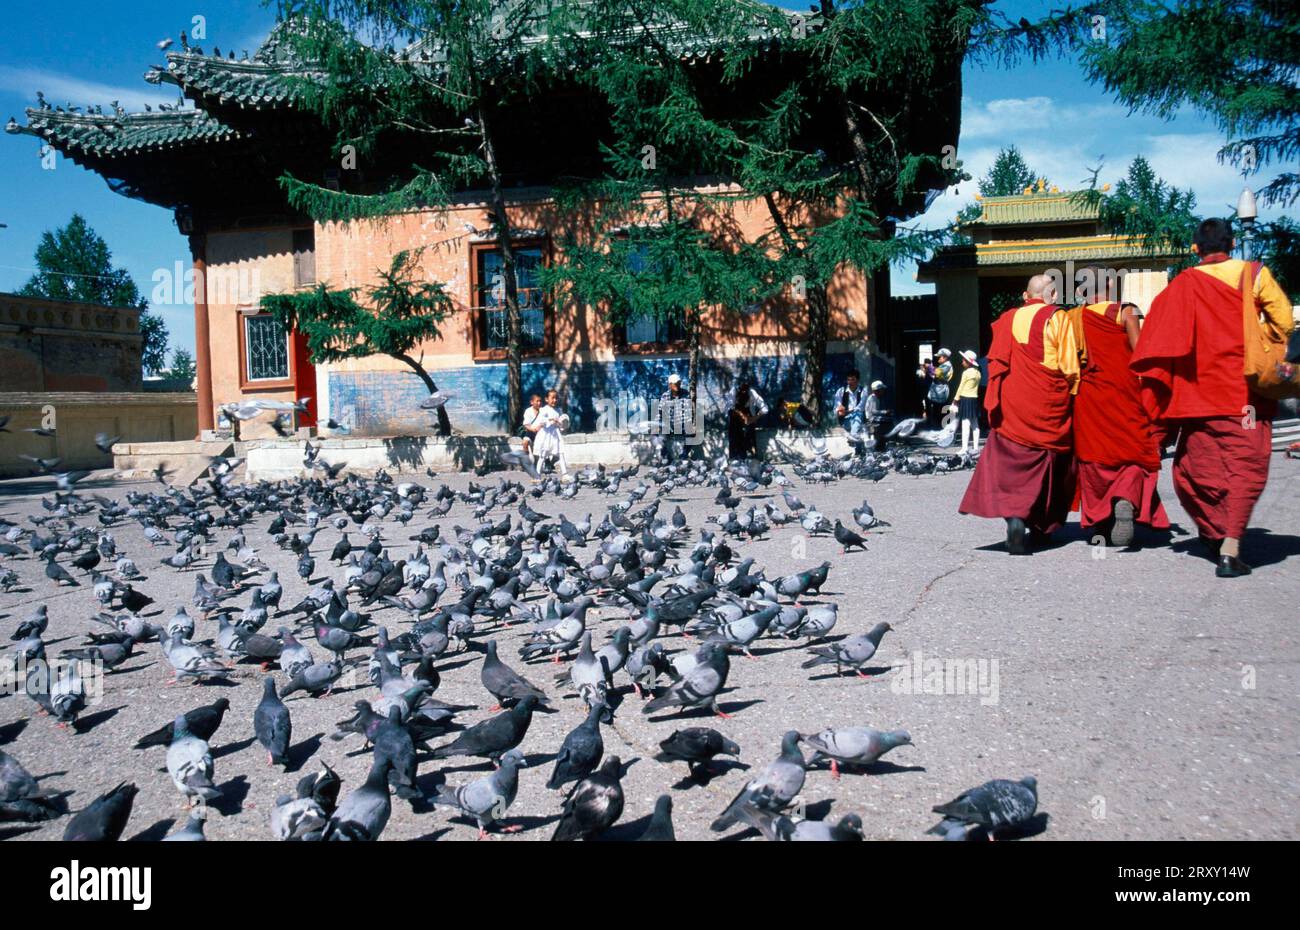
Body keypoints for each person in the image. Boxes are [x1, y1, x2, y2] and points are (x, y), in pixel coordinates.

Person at [1130, 218, 1294, 577]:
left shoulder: (1182, 284)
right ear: (1232, 244)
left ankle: (1213, 531)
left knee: (1194, 469)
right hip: (1245, 396)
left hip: (1196, 397)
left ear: (1195, 249)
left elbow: (1159, 333)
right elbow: (1283, 322)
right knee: (1245, 465)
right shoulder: (1253, 274)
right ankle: (1229, 546)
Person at [959, 274, 1080, 554]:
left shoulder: (1008, 319)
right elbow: (1070, 368)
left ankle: (1015, 516)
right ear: (1053, 296)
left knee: (1008, 462)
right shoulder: (1058, 317)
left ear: (1026, 296)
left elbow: (998, 363)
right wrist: (1073, 395)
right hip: (1047, 406)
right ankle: (1040, 526)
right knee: (1053, 465)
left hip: (1014, 407)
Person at [1071, 271, 1169, 548]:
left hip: (1089, 398)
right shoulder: (1126, 312)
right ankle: (1126, 497)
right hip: (1125, 394)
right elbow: (1142, 355)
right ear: (1111, 283)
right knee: (1132, 453)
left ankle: (1102, 519)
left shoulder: (1073, 318)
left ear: (1080, 291)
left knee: (1094, 458)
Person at [655, 372, 694, 462]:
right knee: (659, 435)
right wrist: (657, 425)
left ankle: (684, 455)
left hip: (682, 423)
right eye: (675, 383)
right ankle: (665, 457)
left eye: (678, 383)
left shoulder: (686, 394)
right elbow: (659, 412)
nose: (677, 385)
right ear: (670, 385)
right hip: (668, 424)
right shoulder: (665, 396)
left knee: (691, 433)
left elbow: (688, 412)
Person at [532, 388, 569, 476]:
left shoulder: (558, 410)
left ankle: (565, 474)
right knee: (543, 455)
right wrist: (550, 420)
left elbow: (561, 423)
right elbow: (541, 420)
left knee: (561, 453)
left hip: (556, 435)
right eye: (552, 398)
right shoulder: (544, 409)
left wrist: (561, 424)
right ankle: (537, 474)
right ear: (546, 399)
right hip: (546, 435)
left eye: (556, 398)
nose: (555, 400)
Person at [727, 380, 768, 460]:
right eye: (742, 389)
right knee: (734, 435)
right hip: (735, 417)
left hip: (749, 417)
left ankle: (750, 457)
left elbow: (765, 408)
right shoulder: (733, 391)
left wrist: (754, 418)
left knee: (749, 434)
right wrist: (742, 416)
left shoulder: (752, 392)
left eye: (746, 389)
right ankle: (735, 458)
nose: (744, 391)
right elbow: (730, 407)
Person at [954, 349, 983, 455]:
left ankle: (964, 448)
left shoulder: (966, 373)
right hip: (974, 399)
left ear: (968, 362)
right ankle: (976, 447)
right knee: (975, 424)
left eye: (964, 360)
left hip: (965, 399)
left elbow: (960, 387)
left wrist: (956, 399)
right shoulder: (978, 373)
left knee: (965, 424)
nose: (962, 362)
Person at [834, 369, 868, 451]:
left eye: (853, 380)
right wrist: (839, 411)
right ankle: (854, 438)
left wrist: (848, 411)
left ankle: (855, 444)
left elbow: (861, 407)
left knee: (858, 416)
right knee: (857, 420)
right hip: (845, 420)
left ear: (857, 380)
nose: (850, 382)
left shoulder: (863, 391)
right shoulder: (841, 391)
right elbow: (836, 408)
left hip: (858, 418)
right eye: (848, 380)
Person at [928, 349, 954, 426]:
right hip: (939, 390)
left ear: (945, 357)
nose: (938, 359)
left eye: (939, 357)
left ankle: (941, 426)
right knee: (938, 408)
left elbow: (937, 373)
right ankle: (939, 425)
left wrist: (929, 367)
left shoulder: (947, 365)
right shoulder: (943, 365)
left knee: (940, 409)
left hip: (941, 390)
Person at [863, 380, 890, 452]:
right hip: (871, 418)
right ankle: (879, 445)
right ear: (877, 391)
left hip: (873, 417)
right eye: (882, 390)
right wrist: (885, 412)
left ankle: (882, 444)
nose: (883, 391)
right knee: (885, 423)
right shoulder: (873, 398)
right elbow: (873, 411)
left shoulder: (877, 398)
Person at [520, 393, 544, 458]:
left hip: (541, 433)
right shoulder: (528, 411)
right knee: (525, 442)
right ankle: (526, 458)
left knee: (538, 454)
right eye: (537, 401)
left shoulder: (543, 411)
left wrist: (541, 427)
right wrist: (533, 429)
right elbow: (526, 424)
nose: (539, 403)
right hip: (530, 432)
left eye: (540, 401)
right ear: (532, 402)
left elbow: (545, 422)